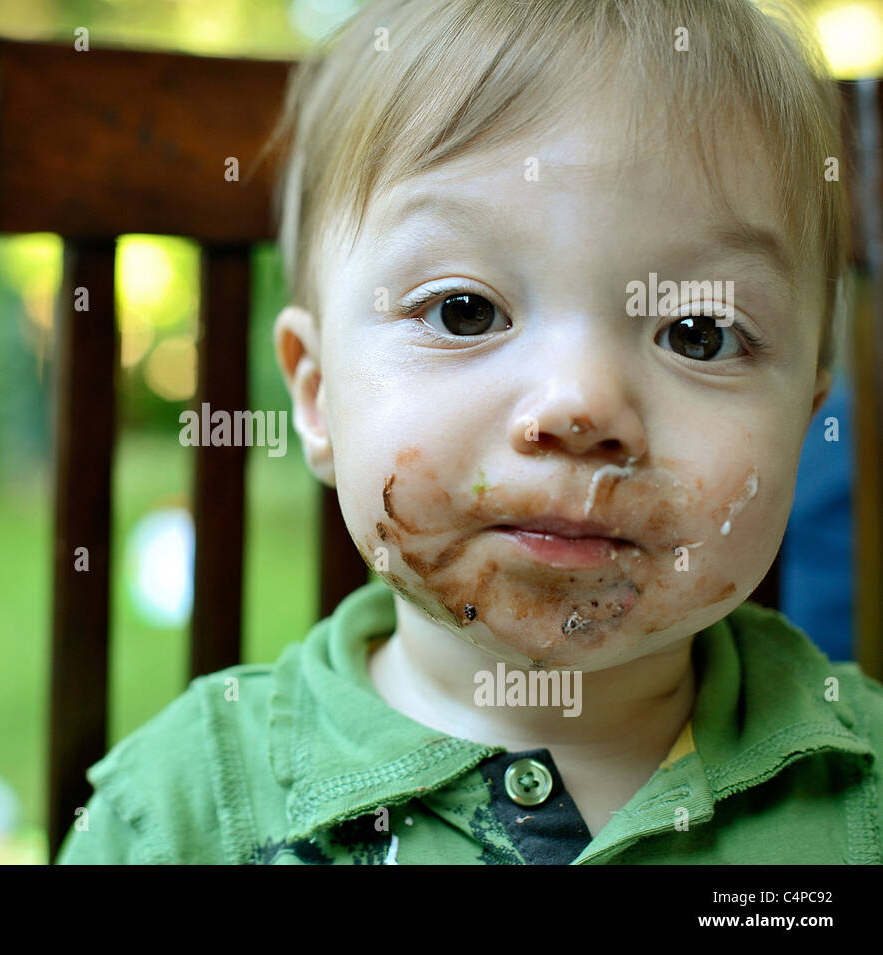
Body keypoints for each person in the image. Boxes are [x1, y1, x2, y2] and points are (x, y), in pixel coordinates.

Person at [55, 0, 882, 864]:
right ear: (316, 392)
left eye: (698, 334)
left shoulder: (862, 797)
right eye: (465, 310)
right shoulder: (181, 818)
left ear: (805, 421)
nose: (581, 408)